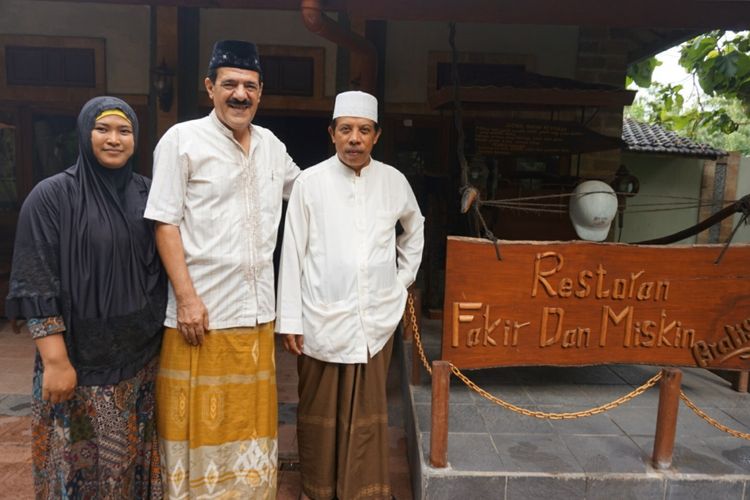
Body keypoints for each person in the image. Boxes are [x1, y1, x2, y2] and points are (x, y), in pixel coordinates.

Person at [144, 40, 299, 498]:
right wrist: (187, 298)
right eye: (229, 84)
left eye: (249, 86)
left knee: (249, 426)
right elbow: (164, 222)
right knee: (197, 429)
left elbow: (311, 193)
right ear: (209, 87)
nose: (239, 94)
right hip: (200, 318)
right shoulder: (181, 140)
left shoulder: (271, 145)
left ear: (261, 93)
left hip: (255, 316)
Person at [5, 96, 167, 498]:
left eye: (124, 131)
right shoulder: (53, 197)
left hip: (141, 364)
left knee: (130, 467)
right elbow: (34, 279)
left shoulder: (149, 194)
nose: (114, 139)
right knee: (80, 470)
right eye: (103, 129)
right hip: (79, 366)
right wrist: (56, 360)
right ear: (83, 134)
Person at [276, 90, 425, 500]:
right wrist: (289, 319)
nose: (354, 139)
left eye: (363, 130)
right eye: (346, 130)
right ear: (332, 133)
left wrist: (401, 278)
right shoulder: (310, 182)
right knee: (320, 410)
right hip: (321, 317)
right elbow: (292, 253)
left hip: (374, 319)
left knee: (367, 414)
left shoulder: (394, 181)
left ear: (376, 136)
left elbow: (415, 228)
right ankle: (320, 489)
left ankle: (364, 490)